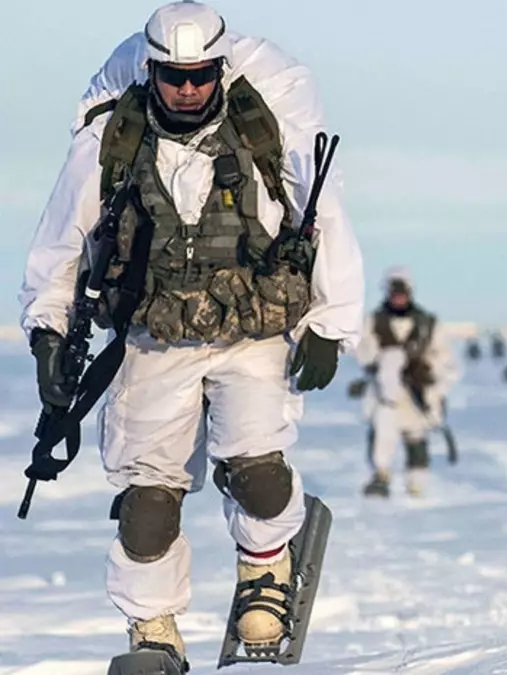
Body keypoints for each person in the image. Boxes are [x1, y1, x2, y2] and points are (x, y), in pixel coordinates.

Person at [18, 2, 363, 670]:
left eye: (199, 75)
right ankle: (152, 629)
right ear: (150, 71)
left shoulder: (267, 135)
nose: (186, 88)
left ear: (218, 69)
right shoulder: (108, 146)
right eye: (173, 76)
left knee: (258, 473)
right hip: (149, 339)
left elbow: (327, 218)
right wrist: (48, 334)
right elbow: (59, 243)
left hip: (251, 334)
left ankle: (267, 569)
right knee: (147, 503)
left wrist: (331, 322)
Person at [351, 268, 459, 497]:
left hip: (417, 393)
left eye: (402, 292)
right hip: (385, 392)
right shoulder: (373, 322)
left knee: (416, 437)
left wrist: (428, 372)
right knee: (382, 436)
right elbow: (364, 352)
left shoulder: (428, 323)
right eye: (394, 292)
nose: (398, 297)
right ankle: (380, 478)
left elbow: (444, 358)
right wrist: (383, 363)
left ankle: (417, 486)